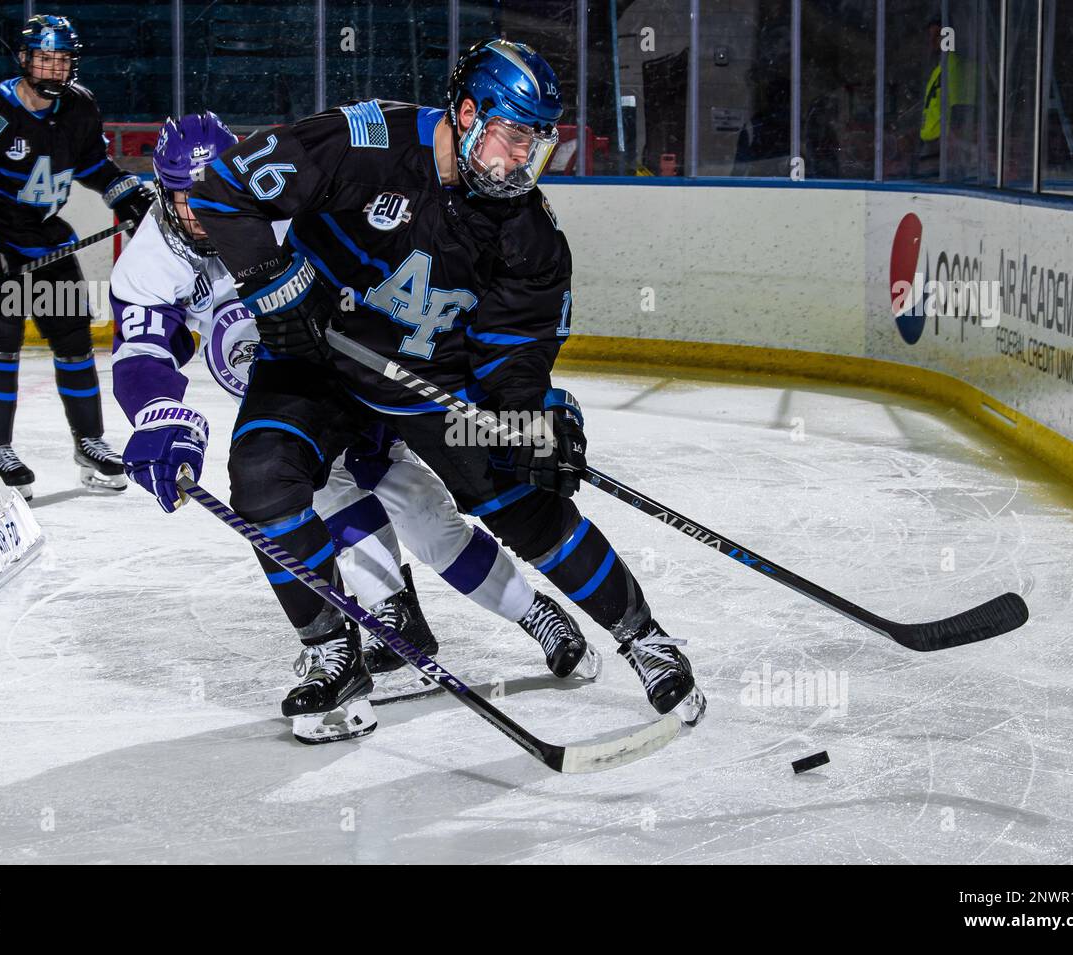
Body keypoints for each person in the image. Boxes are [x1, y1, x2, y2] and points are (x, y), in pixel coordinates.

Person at [189, 39, 709, 740]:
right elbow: (223, 188)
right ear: (467, 114)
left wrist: (530, 419)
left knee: (531, 505)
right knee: (260, 476)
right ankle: (331, 650)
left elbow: (513, 354)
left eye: (536, 145)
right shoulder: (363, 141)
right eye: (512, 139)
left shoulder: (528, 236)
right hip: (316, 359)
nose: (524, 161)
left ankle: (642, 635)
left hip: (430, 386)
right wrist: (283, 293)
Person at [110, 112, 596, 740]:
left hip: (374, 366)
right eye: (182, 197)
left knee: (420, 512)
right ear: (163, 193)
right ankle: (383, 621)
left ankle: (536, 615)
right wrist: (155, 414)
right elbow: (143, 347)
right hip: (294, 390)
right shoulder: (153, 254)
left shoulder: (278, 202)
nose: (198, 214)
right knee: (317, 494)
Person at [0, 14, 153, 500]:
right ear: (24, 59)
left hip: (43, 236)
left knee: (74, 341)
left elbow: (95, 165)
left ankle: (89, 442)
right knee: (1, 338)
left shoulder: (79, 106)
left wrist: (125, 194)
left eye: (62, 60)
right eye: (44, 59)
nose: (54, 69)